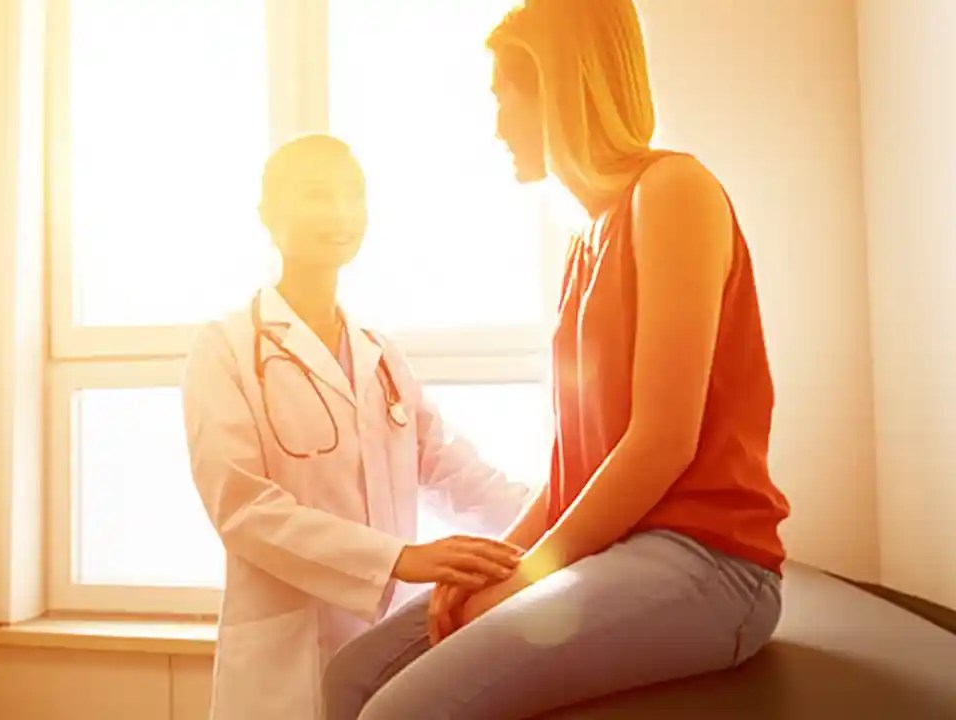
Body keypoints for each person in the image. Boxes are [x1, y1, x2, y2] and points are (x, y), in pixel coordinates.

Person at [321, 2, 793, 718]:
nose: (496, 127)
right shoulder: (584, 245)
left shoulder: (674, 191)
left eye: (502, 99)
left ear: (559, 89)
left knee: (398, 712)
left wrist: (532, 574)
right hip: (621, 553)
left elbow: (663, 441)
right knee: (351, 677)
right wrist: (498, 560)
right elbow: (575, 466)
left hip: (711, 564)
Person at [180, 133, 533, 720]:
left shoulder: (379, 353)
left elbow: (451, 466)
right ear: (269, 215)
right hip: (283, 660)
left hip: (388, 644)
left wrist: (558, 519)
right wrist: (398, 558)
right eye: (318, 195)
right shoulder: (226, 347)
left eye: (354, 195)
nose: (341, 213)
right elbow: (243, 509)